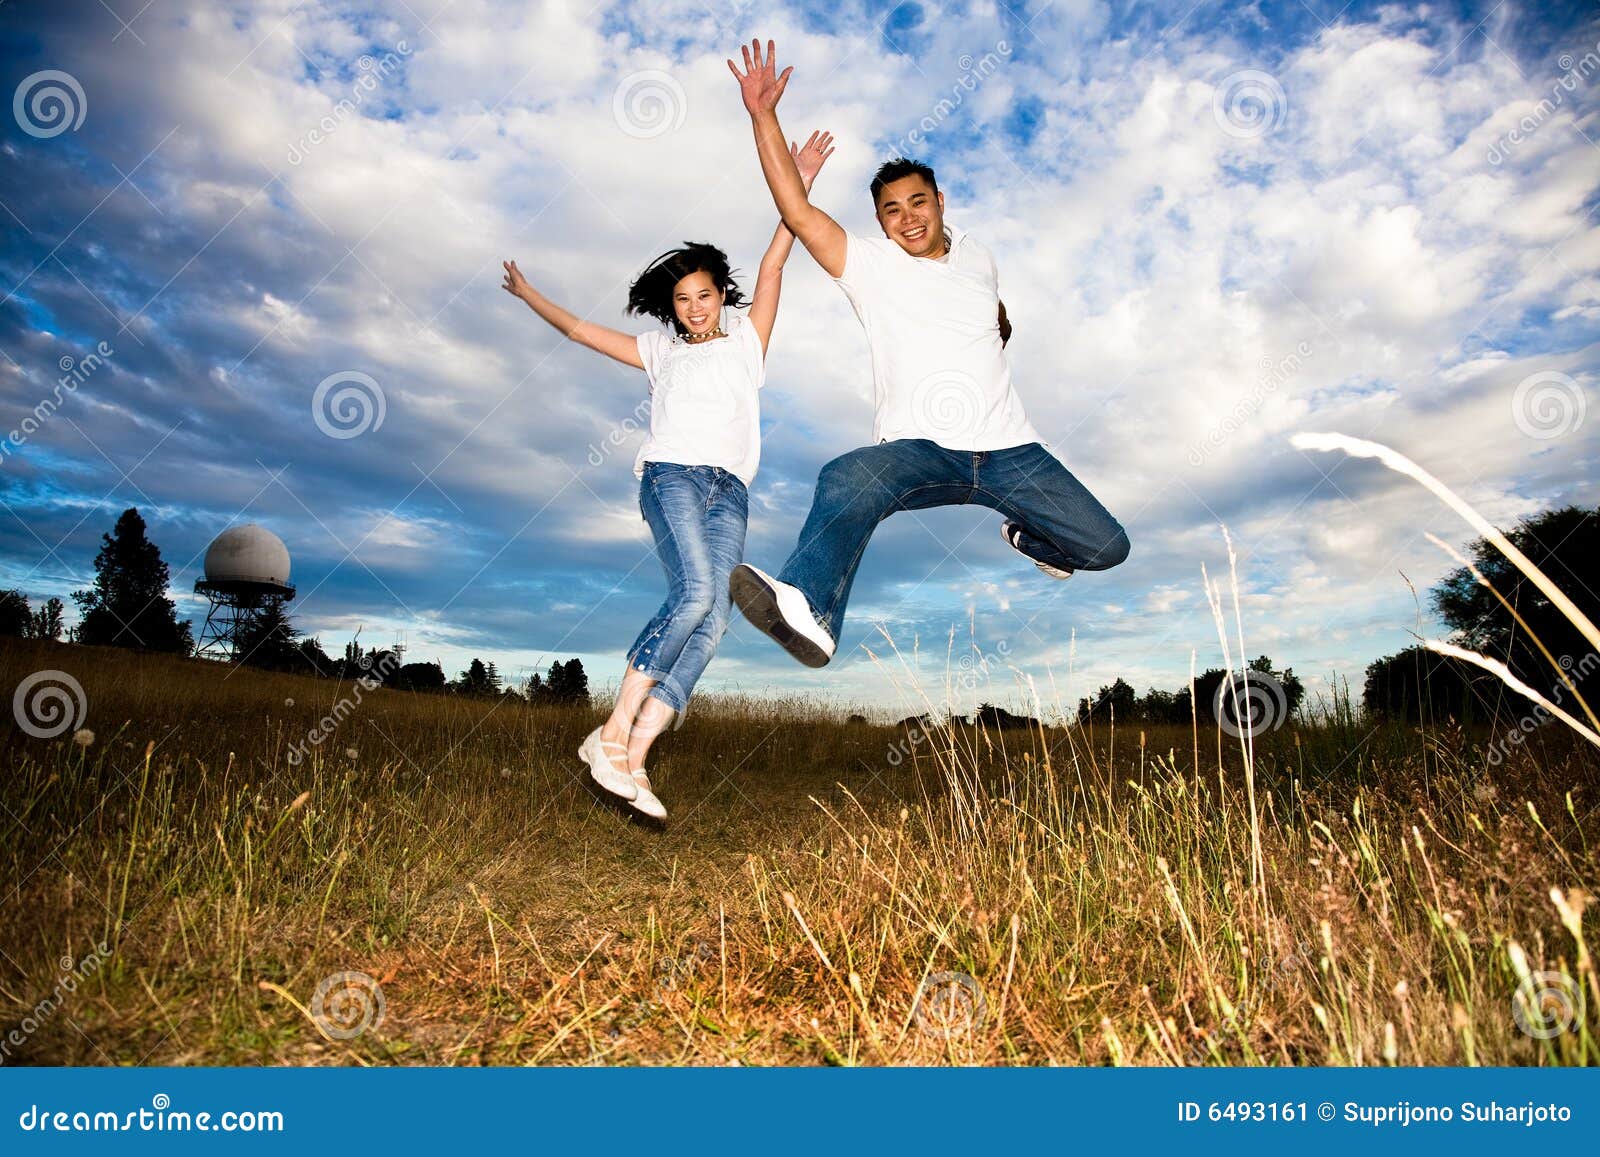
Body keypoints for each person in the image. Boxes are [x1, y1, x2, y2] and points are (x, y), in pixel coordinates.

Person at [723, 40, 1130, 668]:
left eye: (917, 202)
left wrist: (997, 322)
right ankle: (810, 611)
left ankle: (1028, 535)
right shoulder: (870, 265)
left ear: (940, 202)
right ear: (880, 223)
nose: (907, 218)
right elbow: (797, 211)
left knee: (1107, 546)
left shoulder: (979, 256)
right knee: (845, 476)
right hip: (922, 451)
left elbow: (986, 307)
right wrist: (762, 116)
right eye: (891, 211)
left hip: (1011, 452)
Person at [501, 130, 834, 817]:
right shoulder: (659, 350)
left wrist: (797, 186)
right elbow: (580, 332)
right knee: (695, 593)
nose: (694, 307)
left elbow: (775, 265)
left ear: (720, 294)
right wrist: (531, 294)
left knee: (711, 621)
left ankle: (636, 754)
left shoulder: (747, 340)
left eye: (704, 294)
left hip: (731, 491)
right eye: (682, 298)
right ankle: (611, 731)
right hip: (673, 477)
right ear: (671, 306)